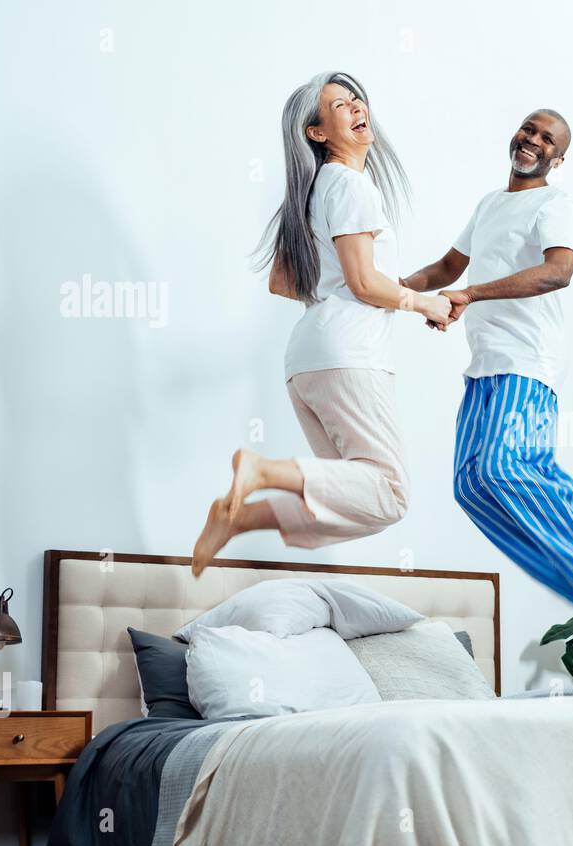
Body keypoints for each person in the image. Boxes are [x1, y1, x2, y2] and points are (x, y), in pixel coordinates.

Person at [191, 71, 452, 576]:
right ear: (316, 132)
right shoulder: (351, 185)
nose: (357, 108)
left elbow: (286, 282)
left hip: (310, 362)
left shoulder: (314, 193)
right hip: (349, 358)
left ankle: (241, 519)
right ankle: (263, 470)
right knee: (391, 492)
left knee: (355, 501)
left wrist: (381, 289)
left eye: (357, 100)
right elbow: (362, 283)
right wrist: (423, 305)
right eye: (339, 105)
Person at [401, 109, 573, 633]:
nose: (532, 141)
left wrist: (472, 293)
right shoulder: (489, 204)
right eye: (529, 129)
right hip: (485, 364)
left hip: (528, 359)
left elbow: (560, 271)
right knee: (471, 485)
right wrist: (389, 291)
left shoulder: (556, 203)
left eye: (547, 138)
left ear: (559, 157)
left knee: (504, 469)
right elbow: (445, 268)